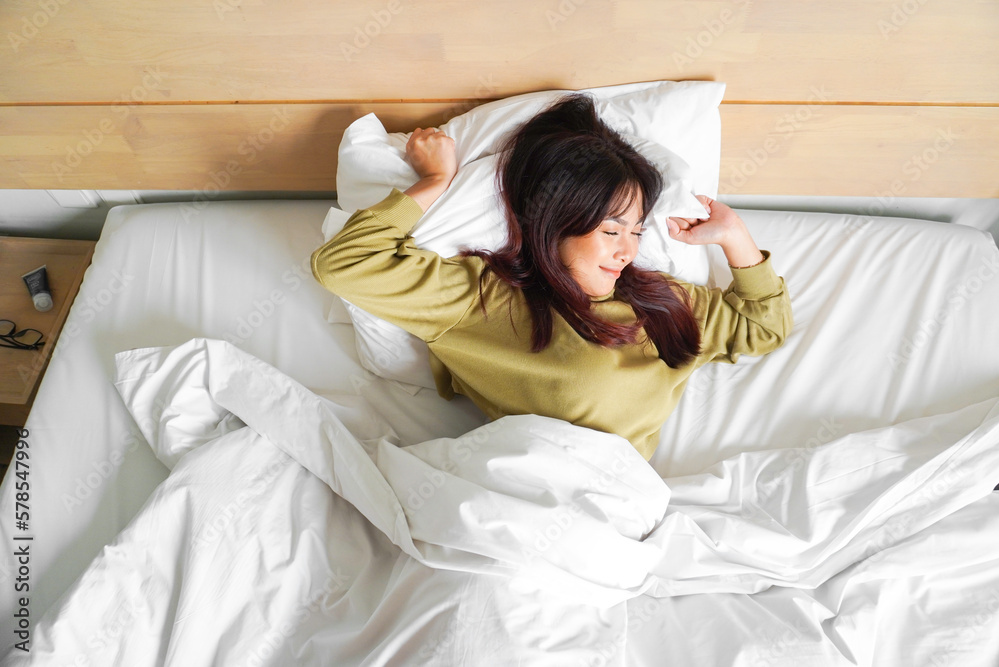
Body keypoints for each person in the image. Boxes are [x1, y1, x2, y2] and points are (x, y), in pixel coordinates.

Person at [312, 94, 792, 461]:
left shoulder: (661, 301)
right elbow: (345, 264)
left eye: (637, 232)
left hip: (619, 503)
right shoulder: (487, 299)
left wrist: (735, 239)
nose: (627, 250)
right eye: (611, 230)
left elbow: (764, 328)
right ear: (557, 220)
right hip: (518, 489)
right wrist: (434, 183)